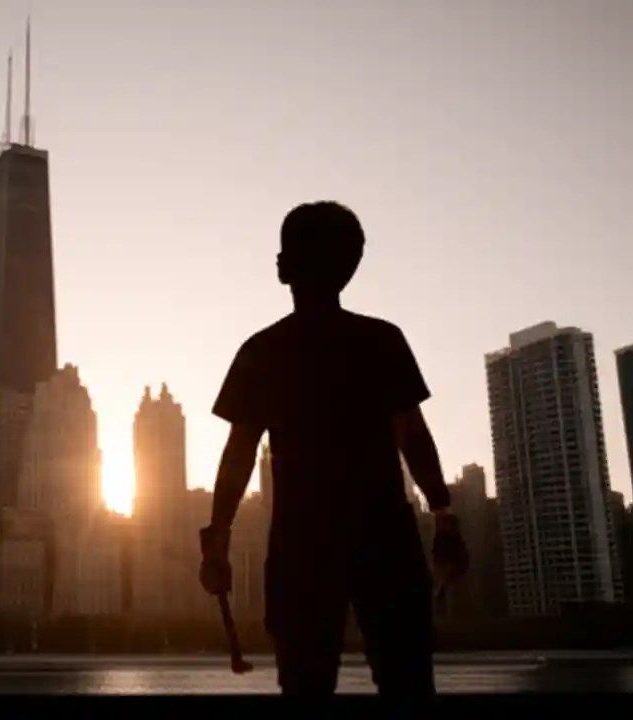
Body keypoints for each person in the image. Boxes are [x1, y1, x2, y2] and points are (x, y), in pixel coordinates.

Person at [199, 201, 468, 697]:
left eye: (284, 250)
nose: (276, 260)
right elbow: (414, 435)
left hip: (303, 543)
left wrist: (218, 535)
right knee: (407, 678)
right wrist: (444, 514)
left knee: (305, 682)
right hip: (386, 537)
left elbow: (239, 454)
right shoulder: (382, 340)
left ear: (288, 266)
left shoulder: (263, 350)